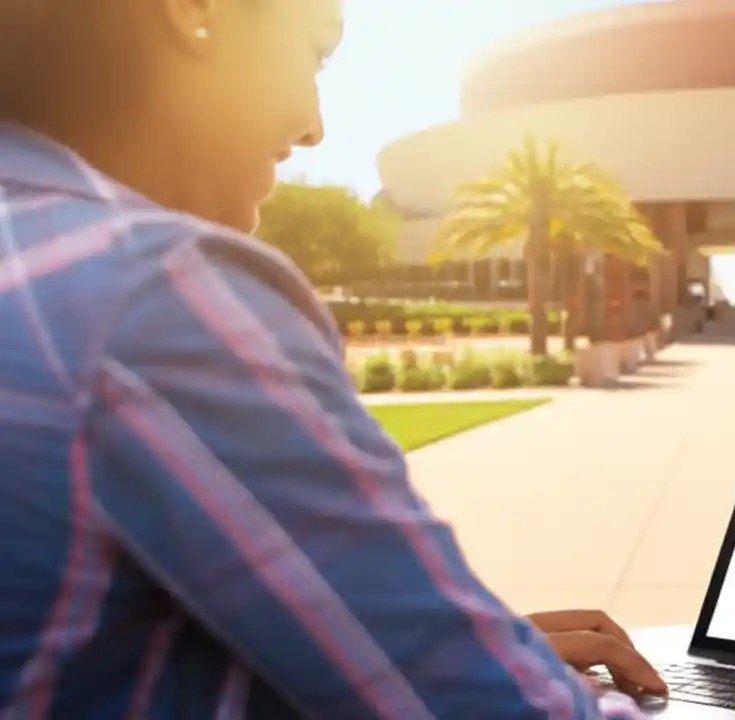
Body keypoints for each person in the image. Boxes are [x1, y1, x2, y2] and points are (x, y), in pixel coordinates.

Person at [0, 1, 666, 717]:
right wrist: (498, 678)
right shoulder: (153, 291)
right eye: (315, 53)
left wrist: (470, 649)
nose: (315, 126)